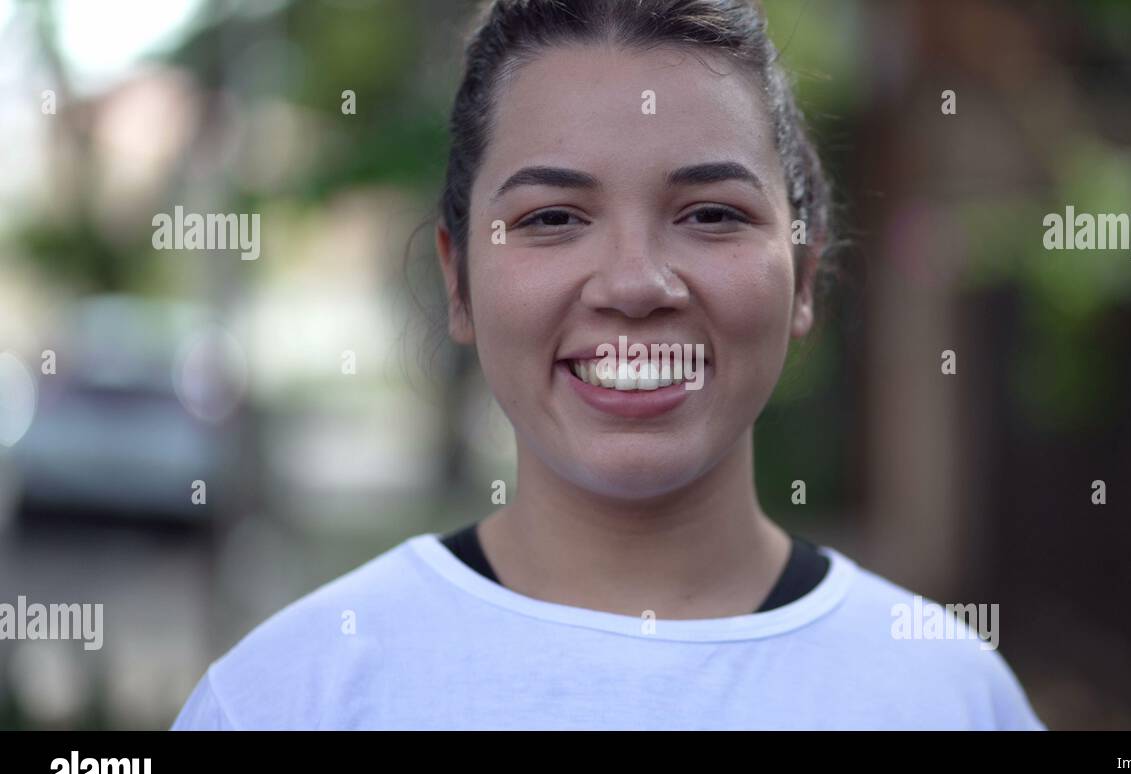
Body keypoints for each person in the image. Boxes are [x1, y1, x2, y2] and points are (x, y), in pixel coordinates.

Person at [172, 0, 1046, 730]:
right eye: (553, 218)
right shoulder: (287, 699)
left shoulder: (951, 696)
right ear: (459, 281)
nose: (636, 284)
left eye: (710, 214)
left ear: (806, 275)